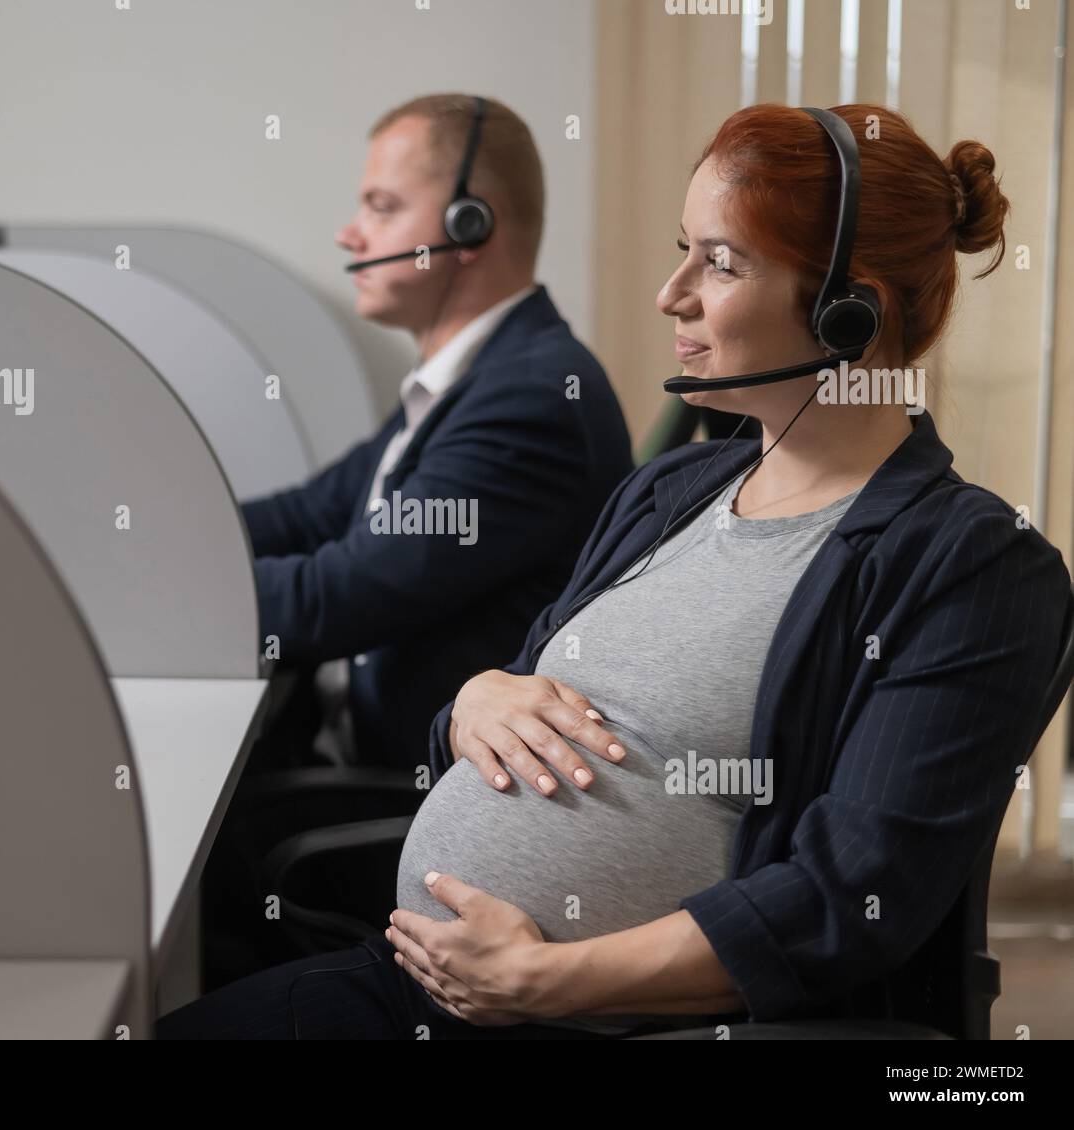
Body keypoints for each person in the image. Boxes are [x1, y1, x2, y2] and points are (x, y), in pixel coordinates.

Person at [161, 103, 1072, 1039]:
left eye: (719, 262)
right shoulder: (672, 490)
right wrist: (476, 698)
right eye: (686, 249)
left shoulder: (971, 565)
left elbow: (851, 895)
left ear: (851, 307)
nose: (671, 293)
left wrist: (544, 980)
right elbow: (504, 713)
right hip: (419, 986)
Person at [241, 93, 633, 772]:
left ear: (469, 225)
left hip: (396, 792)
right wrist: (169, 541)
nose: (350, 234)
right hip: (353, 748)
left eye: (382, 207)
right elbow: (308, 515)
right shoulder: (472, 378)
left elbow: (340, 595)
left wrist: (160, 589)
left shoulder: (531, 400)